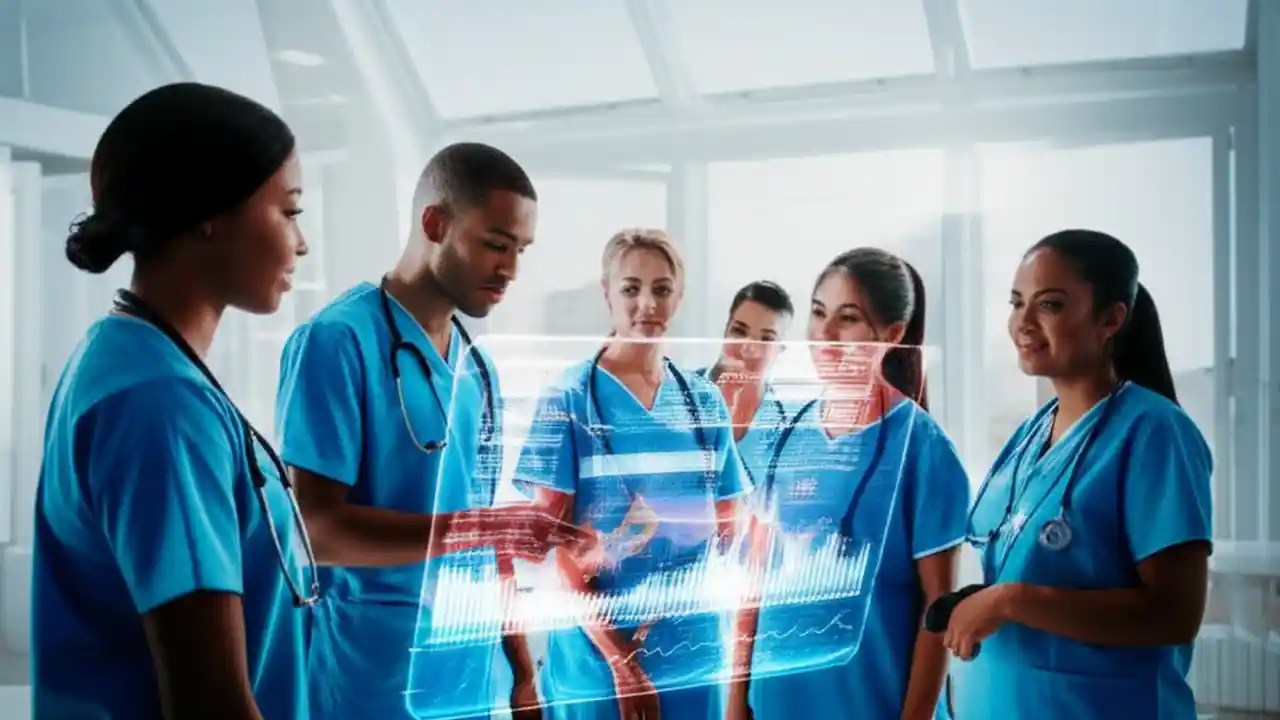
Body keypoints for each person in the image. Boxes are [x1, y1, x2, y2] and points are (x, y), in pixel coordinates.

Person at [274, 143, 591, 720]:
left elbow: (487, 535)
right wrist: (480, 527)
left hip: (470, 677)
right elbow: (315, 531)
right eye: (496, 244)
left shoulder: (480, 368)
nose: (511, 270)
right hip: (371, 678)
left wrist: (520, 673)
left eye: (520, 250)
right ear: (435, 223)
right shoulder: (338, 341)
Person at [31, 82, 312, 719]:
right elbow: (210, 704)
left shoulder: (126, 359)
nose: (301, 244)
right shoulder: (158, 404)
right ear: (210, 212)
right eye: (289, 211)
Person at [942, 230, 1211, 719]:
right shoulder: (1031, 431)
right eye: (1016, 303)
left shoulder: (1154, 432)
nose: (1022, 323)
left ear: (1111, 318)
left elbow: (1174, 614)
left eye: (1049, 305)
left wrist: (1011, 600)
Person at [514, 229, 753, 720]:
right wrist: (623, 664)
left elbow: (731, 523)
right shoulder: (569, 397)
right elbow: (557, 547)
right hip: (598, 665)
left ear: (679, 296)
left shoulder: (702, 401)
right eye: (631, 289)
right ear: (607, 293)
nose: (647, 303)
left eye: (662, 289)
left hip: (692, 652)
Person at [730, 248, 971, 720]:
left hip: (871, 704)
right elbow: (752, 587)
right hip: (778, 705)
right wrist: (736, 702)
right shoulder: (782, 435)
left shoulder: (923, 448)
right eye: (818, 314)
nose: (825, 335)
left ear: (893, 335)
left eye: (848, 319)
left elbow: (937, 612)